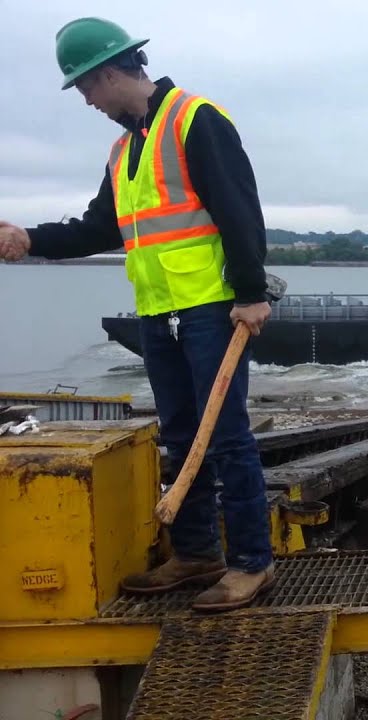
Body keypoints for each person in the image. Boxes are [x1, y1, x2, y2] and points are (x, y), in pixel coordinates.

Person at [0, 17, 276, 611]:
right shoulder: (126, 148)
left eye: (85, 89)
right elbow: (101, 228)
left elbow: (239, 210)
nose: (87, 101)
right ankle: (198, 553)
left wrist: (252, 294)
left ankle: (253, 562)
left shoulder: (196, 120)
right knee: (179, 435)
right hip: (158, 312)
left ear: (108, 73)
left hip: (211, 310)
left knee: (224, 438)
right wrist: (31, 238)